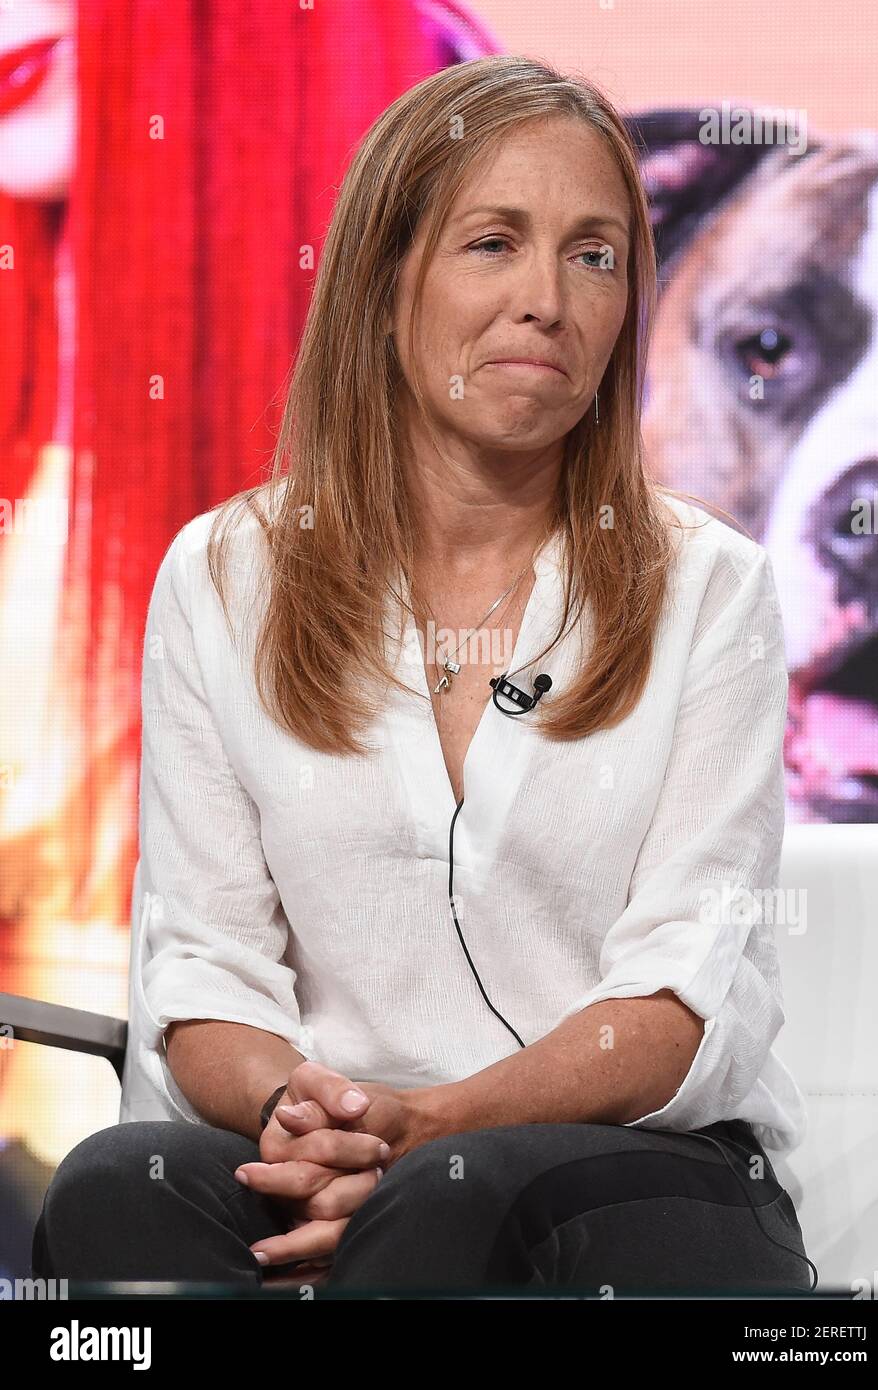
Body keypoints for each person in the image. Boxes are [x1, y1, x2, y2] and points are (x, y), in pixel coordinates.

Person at [31, 54, 812, 1296]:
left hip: (641, 1178)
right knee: (116, 1186)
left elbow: (672, 1004)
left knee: (452, 1211)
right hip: (330, 1155)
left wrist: (430, 1135)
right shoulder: (224, 576)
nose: (547, 302)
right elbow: (205, 972)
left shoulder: (708, 590)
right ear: (383, 282)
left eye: (593, 255)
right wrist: (306, 1112)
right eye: (493, 243)